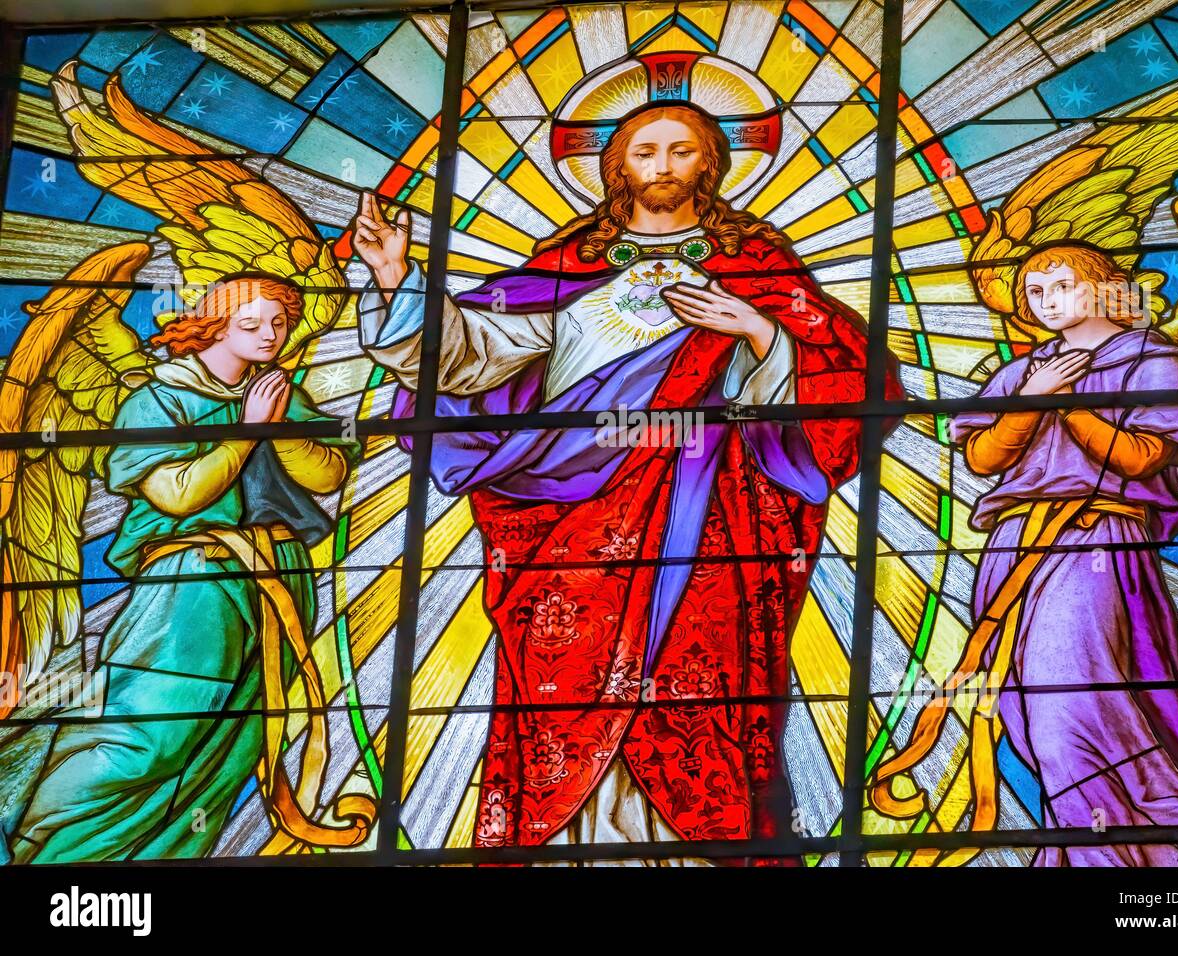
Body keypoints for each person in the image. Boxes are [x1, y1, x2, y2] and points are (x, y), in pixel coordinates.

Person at [354, 103, 903, 862]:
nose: (665, 165)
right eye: (646, 150)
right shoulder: (570, 263)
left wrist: (755, 329)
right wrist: (396, 279)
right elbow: (477, 354)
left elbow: (850, 380)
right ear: (619, 166)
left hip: (708, 508)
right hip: (567, 514)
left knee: (698, 681)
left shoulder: (756, 264)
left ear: (710, 164)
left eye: (684, 151)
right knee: (562, 681)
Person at [871, 243, 1178, 866]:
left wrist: (1063, 403)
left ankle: (1157, 855)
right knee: (1022, 707)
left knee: (1067, 702)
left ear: (1105, 286)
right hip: (1012, 546)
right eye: (1036, 293)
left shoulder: (1153, 361)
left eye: (1062, 286)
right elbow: (984, 458)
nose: (1047, 302)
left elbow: (1144, 457)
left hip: (1096, 540)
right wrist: (1032, 397)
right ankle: (1086, 846)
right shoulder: (1024, 371)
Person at [10, 274, 368, 862]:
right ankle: (35, 840)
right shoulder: (156, 400)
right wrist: (247, 431)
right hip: (191, 581)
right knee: (150, 731)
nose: (269, 334)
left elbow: (329, 475)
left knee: (229, 745)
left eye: (279, 322)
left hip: (277, 575)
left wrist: (277, 426)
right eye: (250, 323)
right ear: (214, 324)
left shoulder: (281, 393)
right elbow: (178, 495)